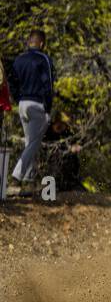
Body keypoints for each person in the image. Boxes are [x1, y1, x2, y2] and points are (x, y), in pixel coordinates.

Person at [8, 30, 55, 192]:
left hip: (22, 104)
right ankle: (16, 177)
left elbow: (12, 81)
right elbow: (48, 85)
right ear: (42, 44)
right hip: (37, 105)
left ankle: (28, 180)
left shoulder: (19, 59)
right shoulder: (44, 59)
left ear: (29, 42)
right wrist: (48, 108)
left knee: (30, 142)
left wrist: (17, 98)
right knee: (34, 143)